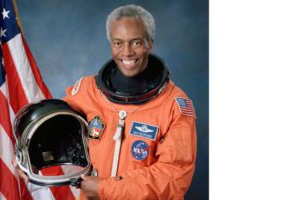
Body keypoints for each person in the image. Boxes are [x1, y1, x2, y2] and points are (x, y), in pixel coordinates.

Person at [16, 4, 197, 200]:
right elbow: (55, 127)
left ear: (149, 43)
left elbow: (172, 177)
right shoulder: (88, 91)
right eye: (118, 43)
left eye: (135, 42)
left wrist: (105, 188)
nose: (126, 52)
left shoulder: (174, 105)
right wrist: (29, 156)